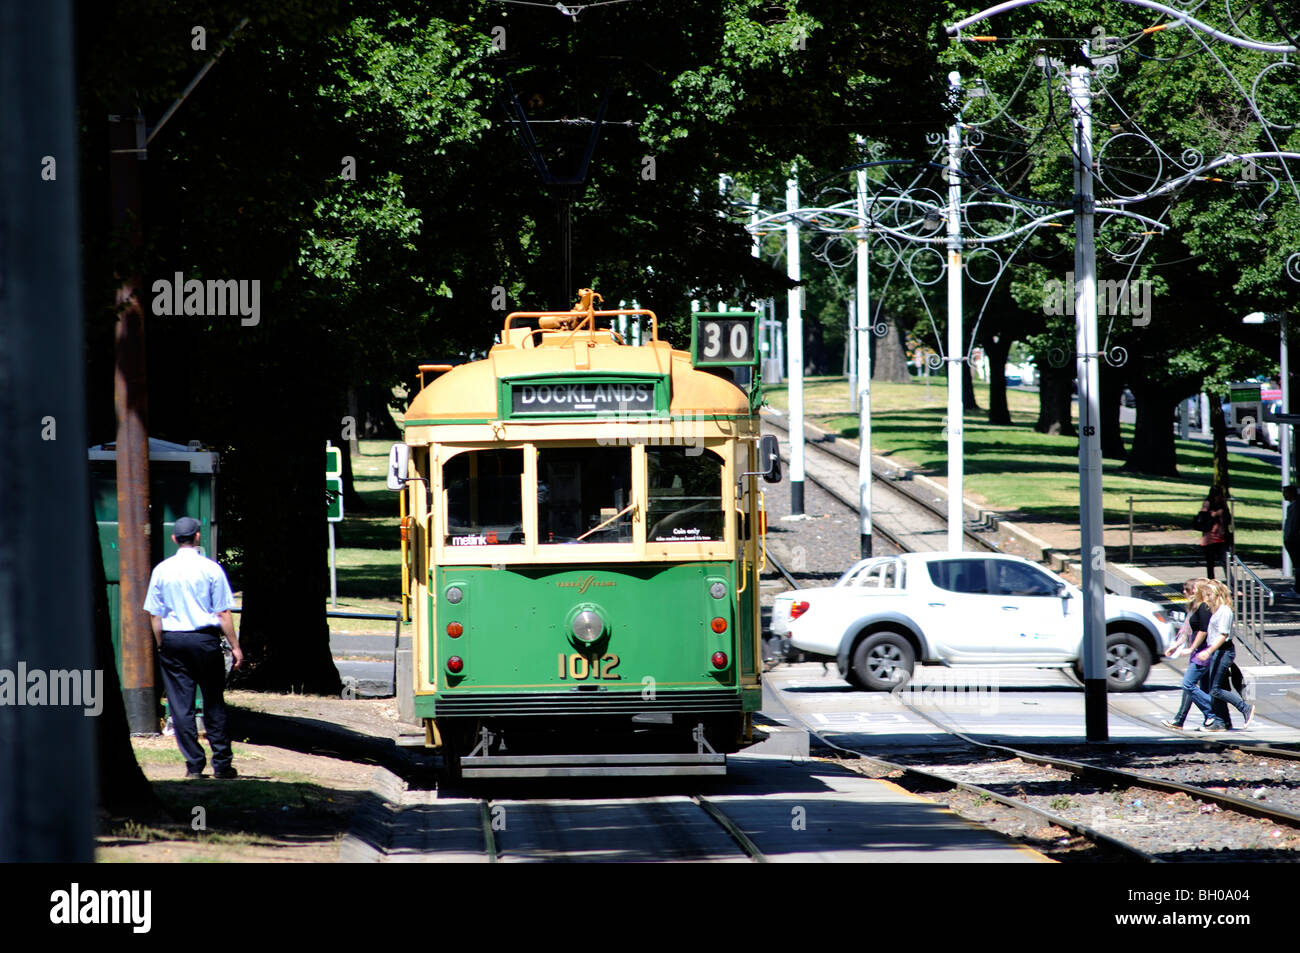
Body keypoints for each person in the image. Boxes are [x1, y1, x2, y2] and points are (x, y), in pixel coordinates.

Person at [142, 516, 244, 779]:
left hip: (174, 640)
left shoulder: (162, 570)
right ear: (197, 536)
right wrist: (235, 647)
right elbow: (222, 612)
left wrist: (161, 642)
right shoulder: (211, 569)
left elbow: (155, 615)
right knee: (213, 701)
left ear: (175, 539)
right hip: (205, 640)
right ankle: (222, 763)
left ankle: (194, 764)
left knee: (180, 705)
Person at [1187, 580, 1255, 731]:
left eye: (1209, 595)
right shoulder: (1216, 610)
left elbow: (1223, 635)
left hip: (1223, 651)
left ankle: (1245, 708)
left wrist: (1208, 651)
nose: (1207, 598)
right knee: (1216, 688)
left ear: (1217, 595)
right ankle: (1221, 722)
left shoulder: (1225, 611)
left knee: (1215, 689)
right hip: (1217, 651)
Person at [1160, 578, 1214, 731]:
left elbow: (1203, 631)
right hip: (1198, 651)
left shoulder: (1203, 608)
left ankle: (1213, 713)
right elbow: (1187, 632)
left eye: (1188, 589)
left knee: (1188, 685)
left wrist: (1191, 649)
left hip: (1202, 651)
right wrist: (1175, 647)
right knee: (1195, 688)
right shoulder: (1194, 607)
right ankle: (1182, 719)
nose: (1184, 592)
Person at [1197, 485, 1232, 580]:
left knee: (1226, 562)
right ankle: (1211, 584)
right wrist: (1215, 514)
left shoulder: (1223, 505)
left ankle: (1232, 585)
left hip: (1222, 537)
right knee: (1210, 564)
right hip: (1210, 538)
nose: (1220, 498)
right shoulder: (1207, 504)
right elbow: (1202, 518)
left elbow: (1229, 520)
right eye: (1218, 496)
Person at [1284, 485, 1300, 597]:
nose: (1284, 495)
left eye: (1285, 492)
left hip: (1294, 540)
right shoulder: (1293, 506)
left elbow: (1293, 524)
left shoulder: (1296, 506)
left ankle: (1298, 589)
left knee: (1298, 565)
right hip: (1292, 539)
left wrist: (1290, 537)